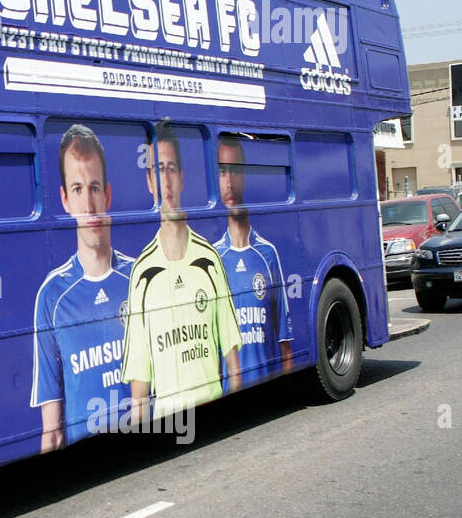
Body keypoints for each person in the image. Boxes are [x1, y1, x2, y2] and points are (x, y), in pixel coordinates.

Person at [122, 119, 242, 420]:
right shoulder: (141, 273)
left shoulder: (210, 258)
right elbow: (140, 379)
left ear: (182, 178)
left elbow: (233, 363)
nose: (166, 181)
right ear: (150, 182)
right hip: (169, 418)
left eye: (171, 168)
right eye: (158, 170)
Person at [32, 124, 134, 452]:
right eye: (77, 189)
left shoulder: (139, 277)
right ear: (65, 200)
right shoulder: (52, 297)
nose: (88, 206)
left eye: (93, 188)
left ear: (107, 193)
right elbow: (52, 430)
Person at [214, 135, 293, 383]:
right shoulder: (214, 257)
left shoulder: (267, 253)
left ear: (244, 176)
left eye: (235, 171)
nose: (229, 182)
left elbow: (284, 340)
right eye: (222, 172)